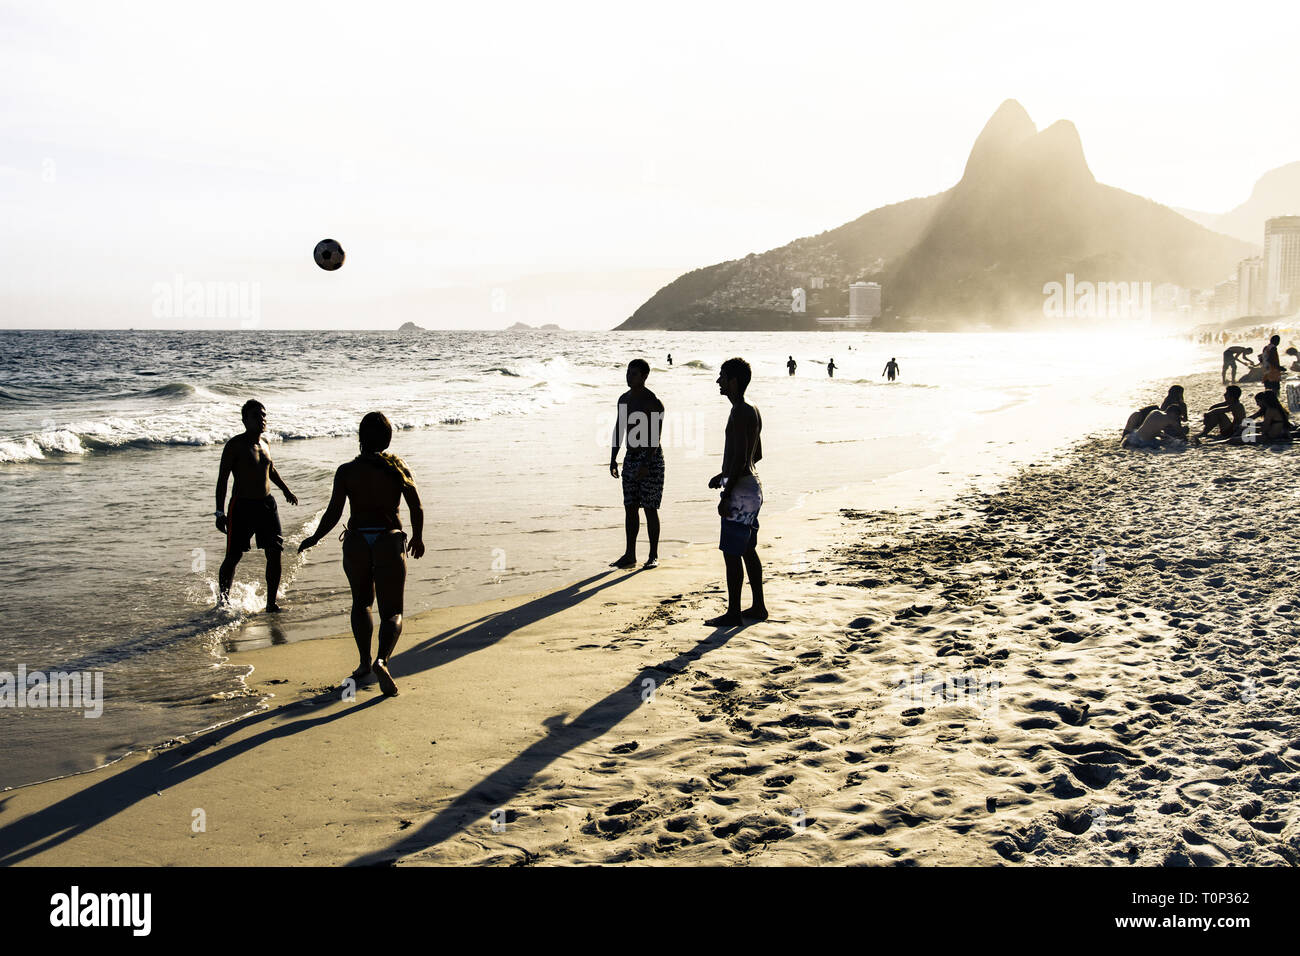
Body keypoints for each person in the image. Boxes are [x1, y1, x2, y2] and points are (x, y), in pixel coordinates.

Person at [298, 412, 425, 696]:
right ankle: (383, 660)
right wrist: (417, 537)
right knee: (392, 610)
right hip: (388, 541)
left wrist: (315, 537)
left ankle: (364, 662)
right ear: (388, 439)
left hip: (356, 542)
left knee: (362, 603)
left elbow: (334, 512)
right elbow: (416, 507)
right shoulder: (397, 468)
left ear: (360, 438)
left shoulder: (346, 471)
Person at [215, 400, 298, 612]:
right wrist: (219, 511)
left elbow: (271, 470)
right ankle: (223, 602)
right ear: (245, 420)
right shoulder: (235, 445)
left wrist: (286, 490)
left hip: (267, 505)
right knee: (234, 556)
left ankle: (271, 603)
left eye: (263, 415)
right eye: (256, 416)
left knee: (275, 551)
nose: (262, 419)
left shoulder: (265, 444)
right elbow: (223, 479)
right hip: (242, 507)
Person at [705, 358, 766, 627]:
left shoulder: (740, 411)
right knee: (748, 549)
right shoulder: (752, 408)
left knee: (732, 553)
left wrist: (727, 492)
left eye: (722, 376)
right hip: (752, 486)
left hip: (741, 491)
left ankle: (733, 613)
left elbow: (742, 457)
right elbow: (757, 455)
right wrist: (723, 474)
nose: (718, 381)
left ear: (733, 381)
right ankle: (758, 607)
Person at [609, 358, 665, 569]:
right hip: (630, 457)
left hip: (650, 459)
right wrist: (613, 458)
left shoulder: (653, 402)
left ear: (644, 377)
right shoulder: (624, 399)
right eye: (628, 372)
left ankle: (653, 555)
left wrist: (646, 464)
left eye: (633, 373)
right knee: (630, 507)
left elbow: (655, 437)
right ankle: (630, 554)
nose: (628, 376)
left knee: (650, 507)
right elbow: (619, 429)